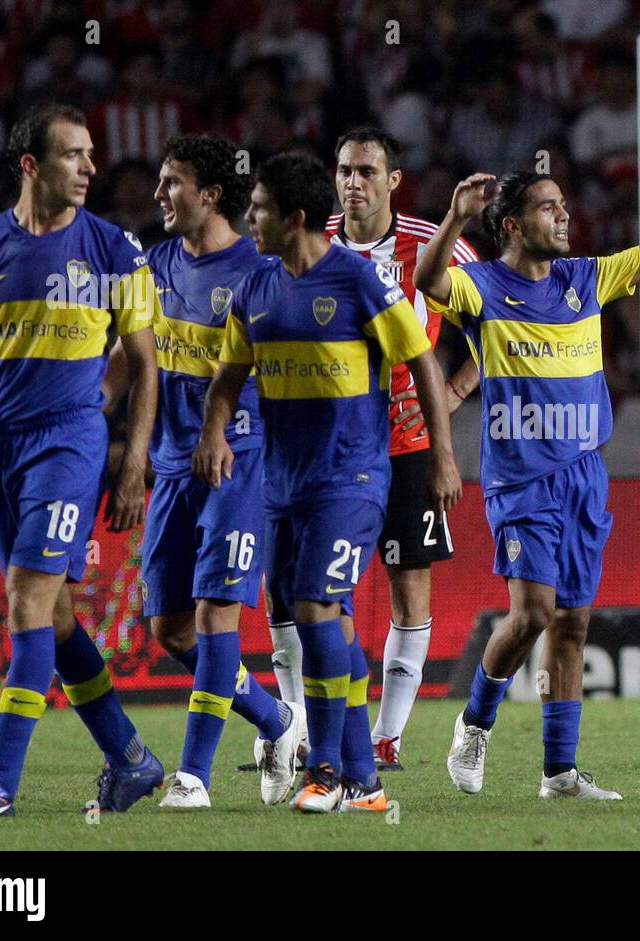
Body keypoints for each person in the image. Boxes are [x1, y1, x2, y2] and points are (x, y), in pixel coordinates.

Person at [414, 138, 640, 800]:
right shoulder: (484, 285)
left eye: (564, 205)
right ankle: (475, 722)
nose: (564, 216)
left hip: (583, 477)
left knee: (571, 622)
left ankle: (560, 772)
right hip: (520, 480)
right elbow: (430, 282)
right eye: (549, 208)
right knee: (532, 612)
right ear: (512, 225)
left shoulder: (585, 279)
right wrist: (455, 217)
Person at [0, 104, 164, 817]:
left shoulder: (117, 250)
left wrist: (133, 460)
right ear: (29, 165)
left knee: (25, 600)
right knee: (59, 619)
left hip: (71, 439)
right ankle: (131, 757)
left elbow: (145, 365)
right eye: (73, 155)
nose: (88, 169)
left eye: (89, 155)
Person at [194, 153, 460, 814]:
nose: (246, 219)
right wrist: (214, 431)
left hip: (353, 476)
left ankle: (326, 771)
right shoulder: (256, 288)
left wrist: (443, 454)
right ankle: (365, 781)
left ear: (295, 218)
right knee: (315, 615)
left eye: (256, 208)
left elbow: (421, 361)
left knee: (316, 607)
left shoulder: (361, 281)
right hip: (280, 484)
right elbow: (229, 376)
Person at [132, 133, 304, 809]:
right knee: (168, 629)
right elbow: (136, 360)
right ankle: (276, 720)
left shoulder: (260, 271)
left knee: (213, 617)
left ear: (209, 194)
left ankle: (193, 777)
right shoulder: (154, 265)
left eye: (172, 182)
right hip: (173, 466)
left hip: (241, 460)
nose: (158, 195)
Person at [320, 127, 479, 772]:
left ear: (392, 182)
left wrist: (455, 394)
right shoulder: (316, 240)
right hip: (330, 448)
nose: (352, 182)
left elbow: (500, 323)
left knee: (410, 588)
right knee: (321, 592)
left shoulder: (432, 244)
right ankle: (313, 733)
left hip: (410, 446)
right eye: (344, 170)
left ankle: (386, 738)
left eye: (365, 171)